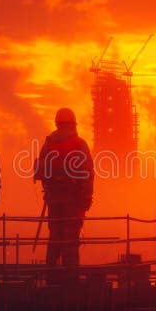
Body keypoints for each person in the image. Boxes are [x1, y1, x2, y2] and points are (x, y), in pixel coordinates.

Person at [34, 107, 94, 268]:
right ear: (73, 124)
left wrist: (48, 189)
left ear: (57, 123)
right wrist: (87, 197)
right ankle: (70, 275)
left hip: (54, 198)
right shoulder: (79, 144)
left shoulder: (49, 144)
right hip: (74, 198)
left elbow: (40, 170)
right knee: (70, 238)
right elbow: (88, 173)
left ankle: (51, 271)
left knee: (54, 235)